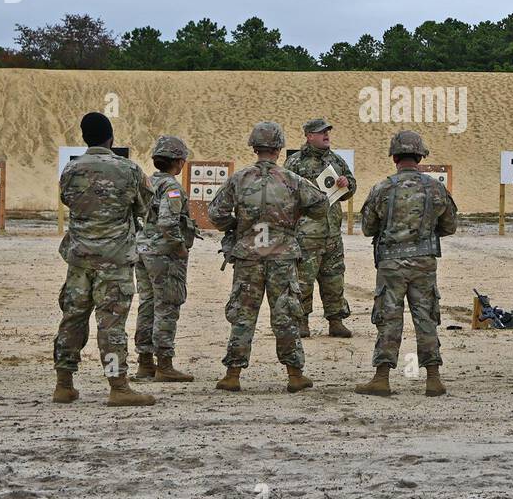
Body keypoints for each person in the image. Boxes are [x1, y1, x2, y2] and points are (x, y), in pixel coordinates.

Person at [209, 122, 328, 392]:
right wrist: (295, 216)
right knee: (286, 314)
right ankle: (295, 374)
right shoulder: (292, 179)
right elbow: (321, 206)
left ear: (254, 147)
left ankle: (233, 374)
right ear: (279, 148)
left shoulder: (238, 179)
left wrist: (237, 228)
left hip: (248, 256)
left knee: (243, 314)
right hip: (282, 256)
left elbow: (216, 214)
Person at [53, 112, 155, 406]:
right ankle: (118, 386)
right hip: (115, 261)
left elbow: (66, 200)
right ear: (111, 138)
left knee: (72, 319)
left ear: (84, 138)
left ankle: (63, 384)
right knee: (111, 325)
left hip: (80, 260)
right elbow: (144, 206)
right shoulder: (129, 170)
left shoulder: (70, 171)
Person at [355, 131, 458, 397]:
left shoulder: (382, 188)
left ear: (394, 157)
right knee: (426, 317)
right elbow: (449, 226)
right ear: (420, 156)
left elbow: (368, 228)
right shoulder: (436, 188)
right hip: (424, 262)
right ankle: (433, 378)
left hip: (390, 264)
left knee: (389, 318)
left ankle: (382, 378)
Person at [134, 135, 199, 382]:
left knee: (147, 304)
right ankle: (164, 364)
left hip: (143, 251)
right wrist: (179, 246)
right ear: (179, 162)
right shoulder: (172, 188)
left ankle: (144, 362)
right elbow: (167, 222)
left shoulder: (147, 183)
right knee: (167, 306)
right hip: (164, 255)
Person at [284, 118, 356, 338]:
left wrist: (347, 184)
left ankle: (336, 321)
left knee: (334, 279)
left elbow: (351, 189)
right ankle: (302, 322)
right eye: (321, 132)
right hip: (306, 235)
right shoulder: (295, 162)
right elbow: (285, 193)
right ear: (309, 136)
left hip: (332, 233)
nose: (326, 135)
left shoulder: (337, 161)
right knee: (303, 281)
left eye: (327, 131)